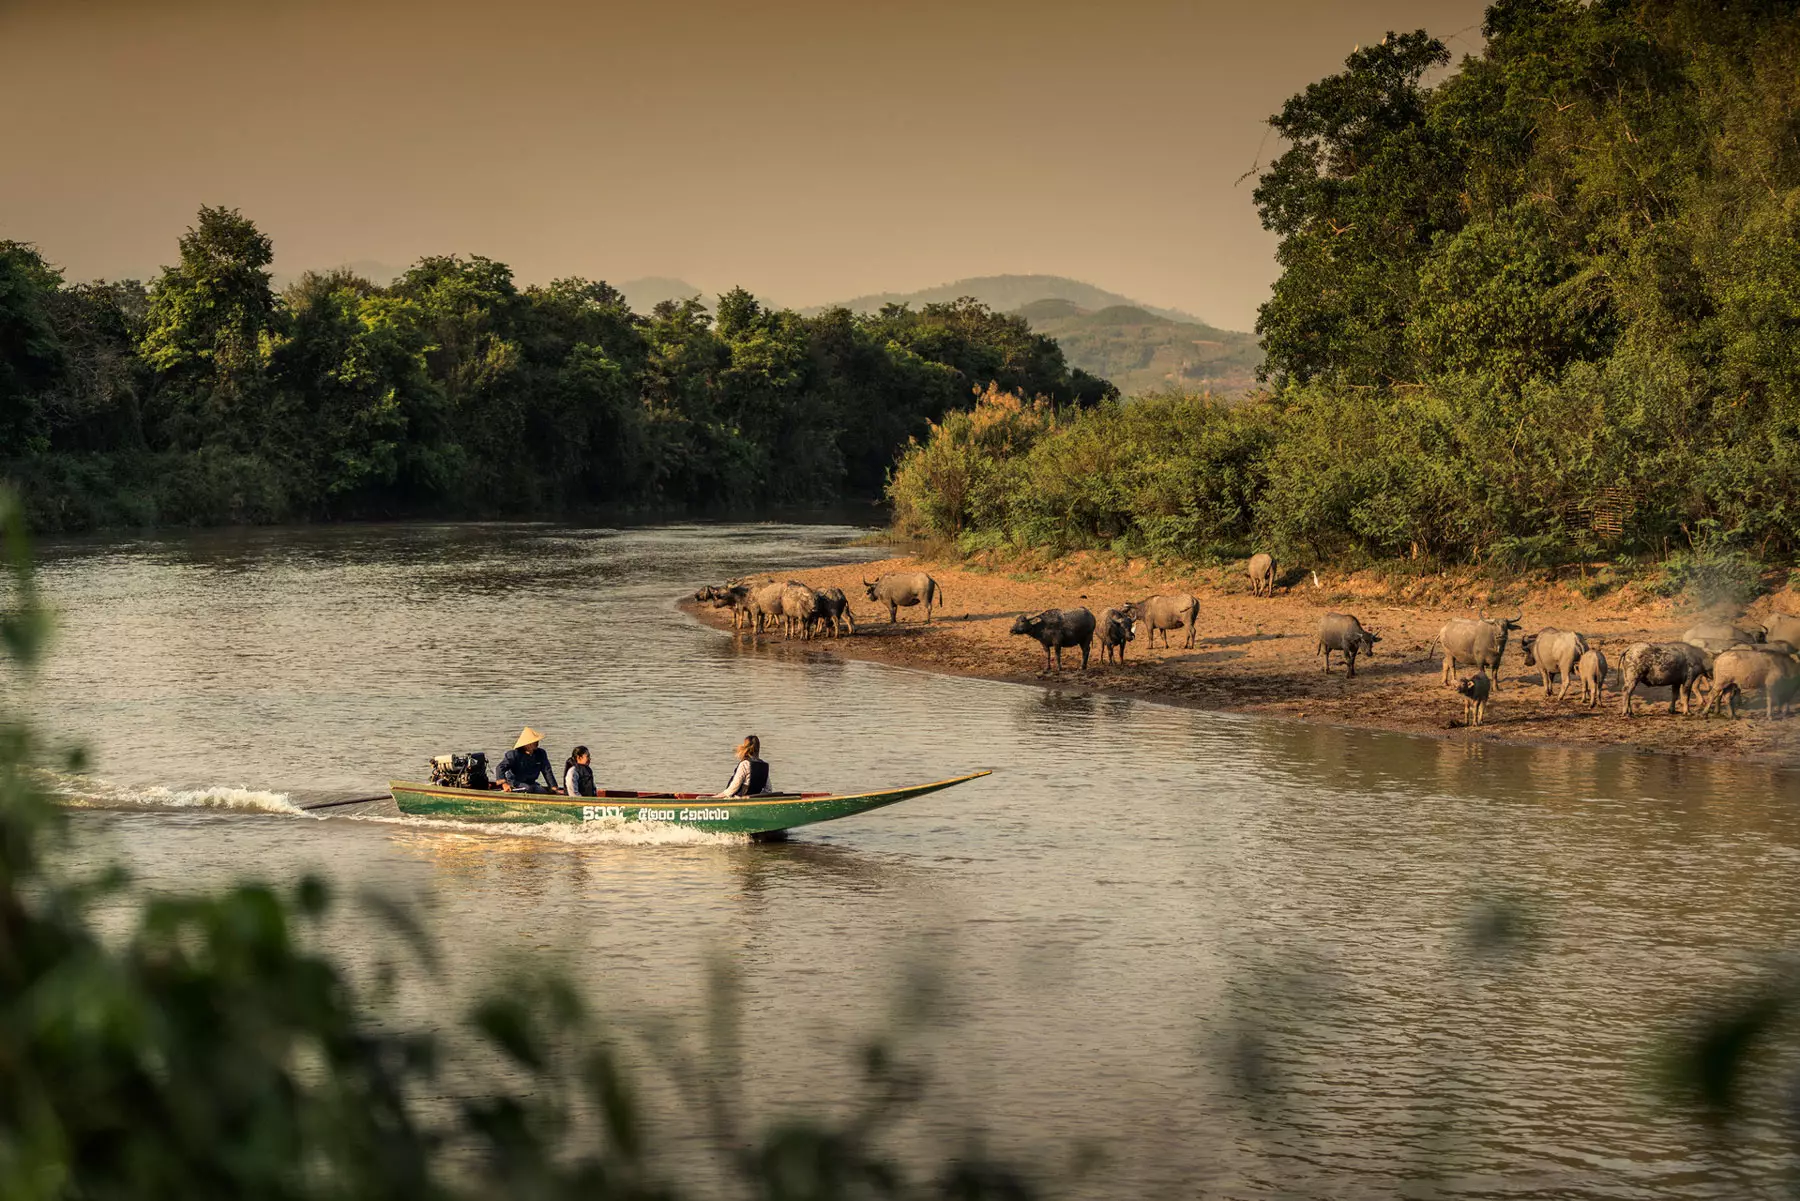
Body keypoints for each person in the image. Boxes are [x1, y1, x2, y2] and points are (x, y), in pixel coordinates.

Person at [498, 727, 562, 794]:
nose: (537, 743)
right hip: (515, 783)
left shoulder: (540, 753)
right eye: (534, 741)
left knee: (542, 791)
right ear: (526, 744)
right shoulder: (513, 754)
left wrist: (553, 787)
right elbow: (500, 768)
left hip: (532, 783)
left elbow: (547, 771)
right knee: (528, 788)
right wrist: (504, 784)